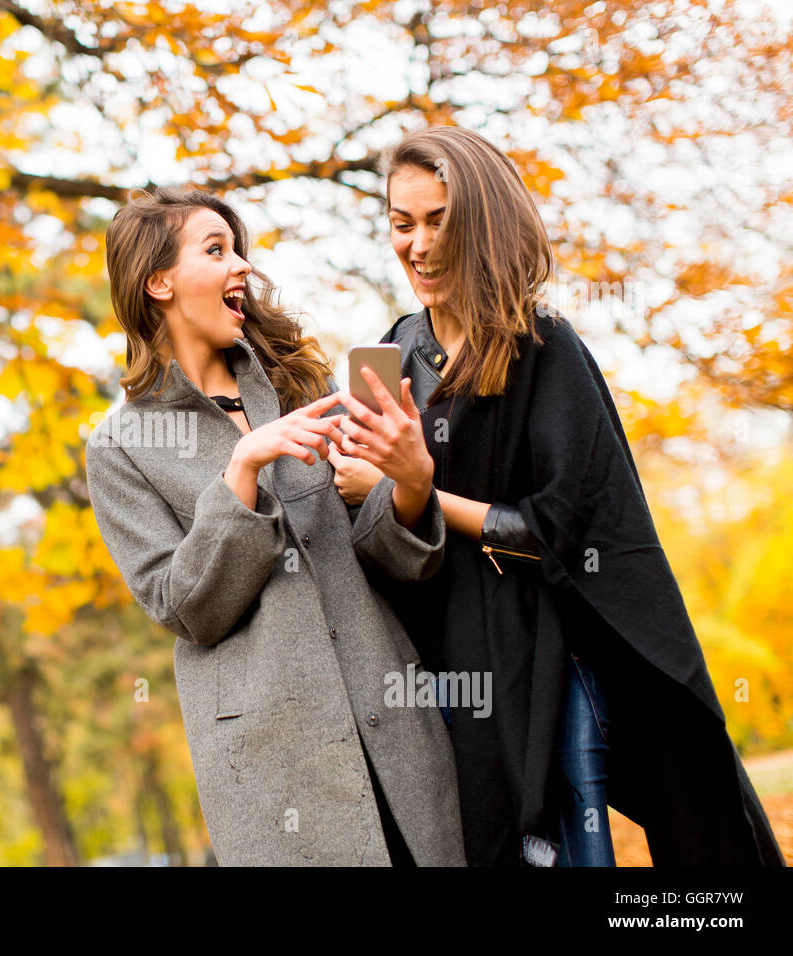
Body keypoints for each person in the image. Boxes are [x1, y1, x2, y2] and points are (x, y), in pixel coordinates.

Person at [329, 125, 784, 867]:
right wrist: (386, 494)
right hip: (446, 676)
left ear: (481, 220)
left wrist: (419, 488)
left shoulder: (542, 347)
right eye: (401, 223)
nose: (418, 245)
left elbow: (559, 537)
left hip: (549, 668)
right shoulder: (394, 355)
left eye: (438, 220)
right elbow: (381, 544)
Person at [84, 184, 466, 865]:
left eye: (239, 251)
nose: (242, 269)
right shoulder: (119, 449)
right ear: (159, 282)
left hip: (395, 734)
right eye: (216, 250)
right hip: (275, 768)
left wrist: (408, 480)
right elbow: (186, 607)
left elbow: (395, 560)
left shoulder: (303, 389)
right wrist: (242, 473)